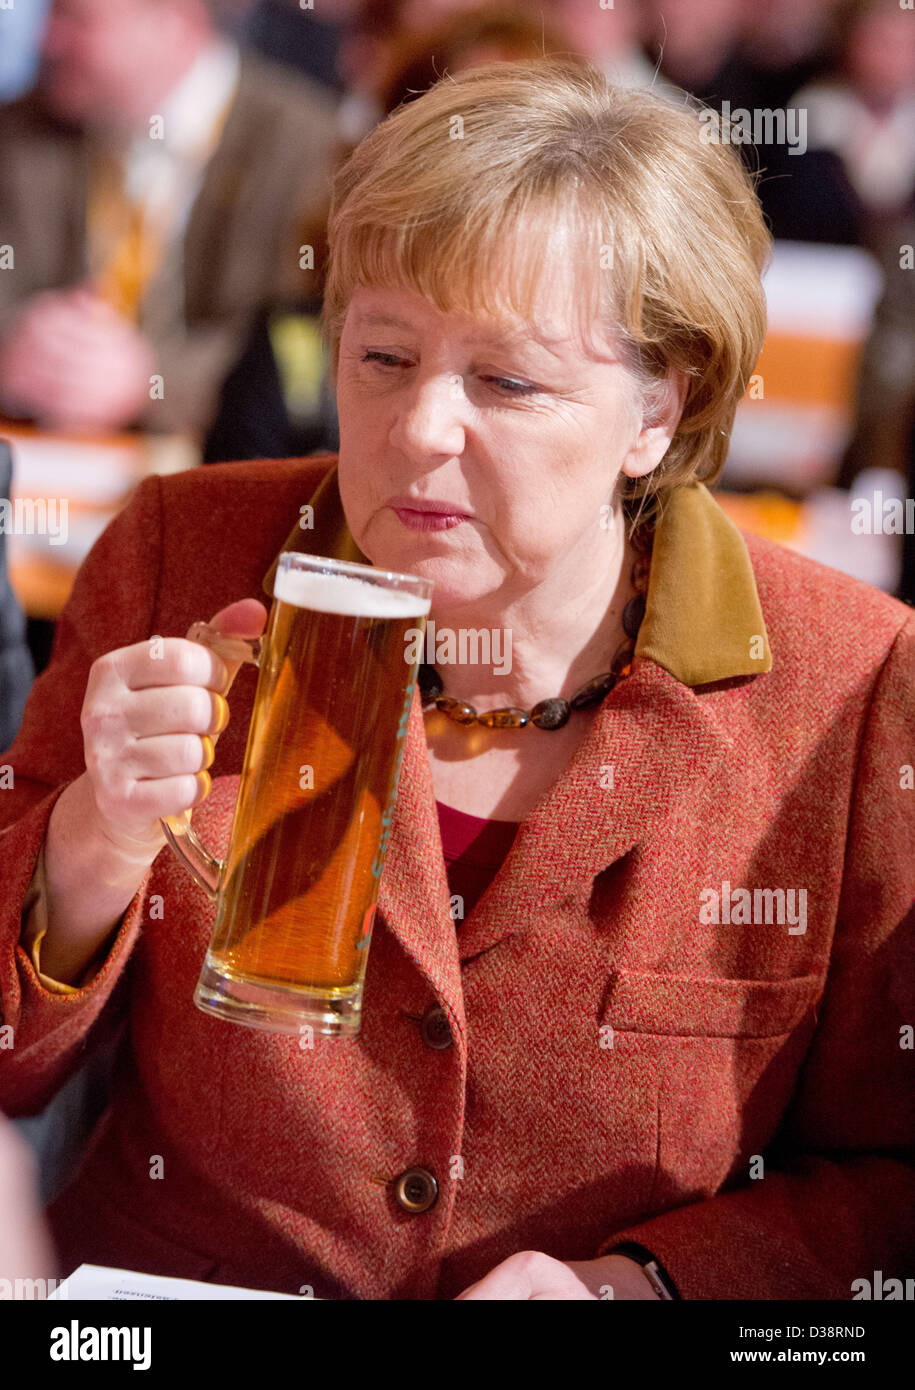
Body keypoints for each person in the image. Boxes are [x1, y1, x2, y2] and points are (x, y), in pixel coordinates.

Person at [0, 59, 912, 1301]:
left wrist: (638, 1286)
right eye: (384, 355)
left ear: (658, 407)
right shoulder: (186, 559)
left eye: (506, 380)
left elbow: (888, 1172)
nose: (422, 427)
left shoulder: (849, 686)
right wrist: (91, 844)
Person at [0, 0, 336, 437]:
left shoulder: (307, 149)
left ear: (175, 21)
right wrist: (17, 349)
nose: (47, 39)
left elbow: (309, 344)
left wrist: (152, 385)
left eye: (75, 18)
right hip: (46, 456)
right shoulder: (21, 130)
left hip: (214, 463)